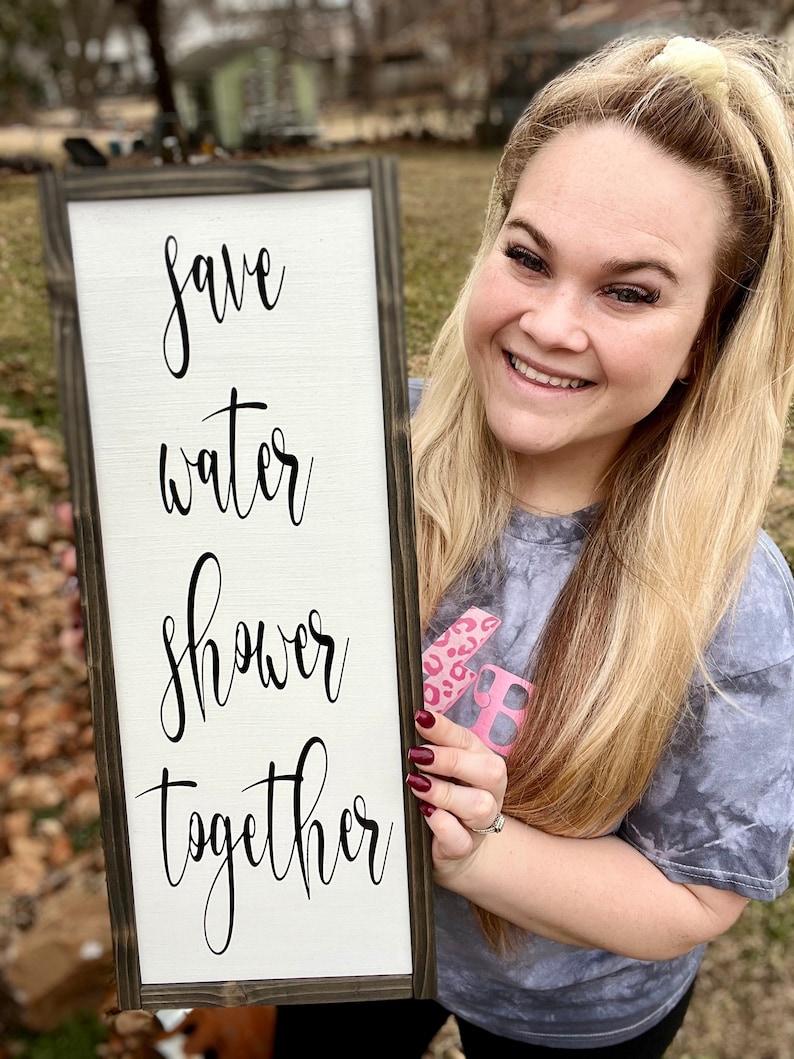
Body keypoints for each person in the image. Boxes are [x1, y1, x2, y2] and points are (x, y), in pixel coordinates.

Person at [272, 31, 794, 1058]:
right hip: (358, 929)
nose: (551, 325)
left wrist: (481, 855)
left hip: (570, 1009)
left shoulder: (731, 598)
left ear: (705, 341)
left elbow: (693, 896)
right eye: (527, 256)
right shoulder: (364, 450)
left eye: (629, 290)